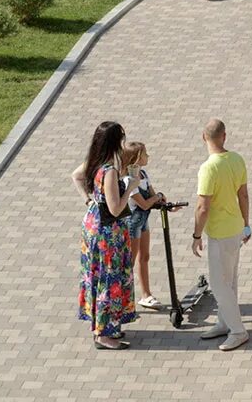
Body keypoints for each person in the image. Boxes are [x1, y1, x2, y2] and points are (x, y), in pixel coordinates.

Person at [72, 120, 134, 350]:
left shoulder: (94, 161)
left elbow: (76, 176)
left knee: (96, 276)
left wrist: (88, 199)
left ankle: (106, 325)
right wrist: (130, 187)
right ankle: (104, 334)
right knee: (109, 278)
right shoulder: (109, 170)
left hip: (92, 225)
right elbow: (116, 208)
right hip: (108, 232)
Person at [192, 119, 251, 352]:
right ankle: (225, 322)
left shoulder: (208, 168)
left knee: (218, 283)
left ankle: (238, 331)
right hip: (235, 228)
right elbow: (243, 195)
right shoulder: (237, 159)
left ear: (203, 137)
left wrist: (196, 235)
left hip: (219, 232)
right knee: (230, 280)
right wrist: (246, 224)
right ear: (224, 136)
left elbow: (202, 207)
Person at [119, 141, 166, 316]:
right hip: (133, 223)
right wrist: (157, 198)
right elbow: (145, 204)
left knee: (145, 256)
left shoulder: (144, 174)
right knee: (129, 262)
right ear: (136, 158)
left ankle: (146, 294)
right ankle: (124, 301)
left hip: (143, 222)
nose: (148, 156)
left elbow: (153, 195)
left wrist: (162, 200)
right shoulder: (129, 180)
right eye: (145, 153)